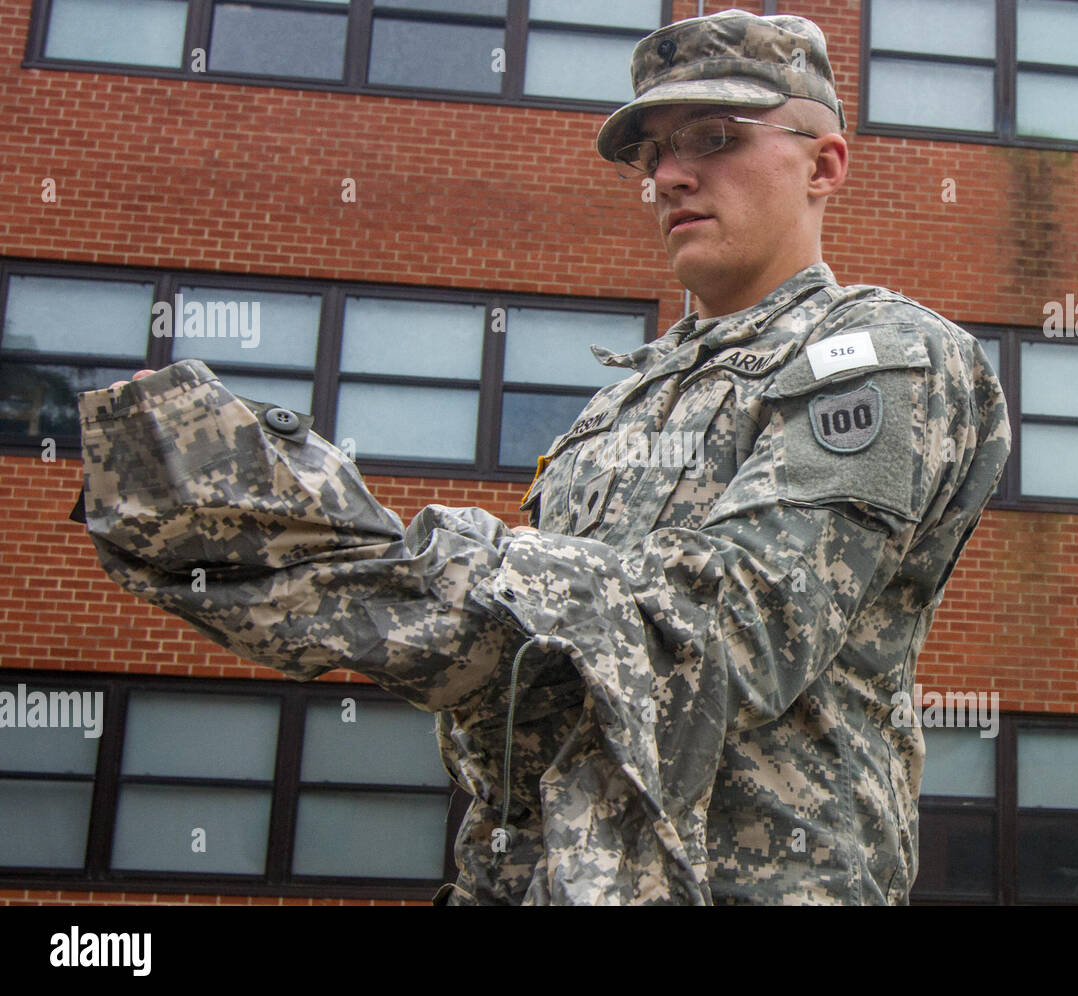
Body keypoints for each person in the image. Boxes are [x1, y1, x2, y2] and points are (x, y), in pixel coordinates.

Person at [78, 9, 1010, 905]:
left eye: (715, 138)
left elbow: (722, 634)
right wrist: (290, 563)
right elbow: (528, 683)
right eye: (654, 154)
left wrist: (374, 564)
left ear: (825, 164)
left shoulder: (882, 355)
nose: (670, 176)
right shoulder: (615, 408)